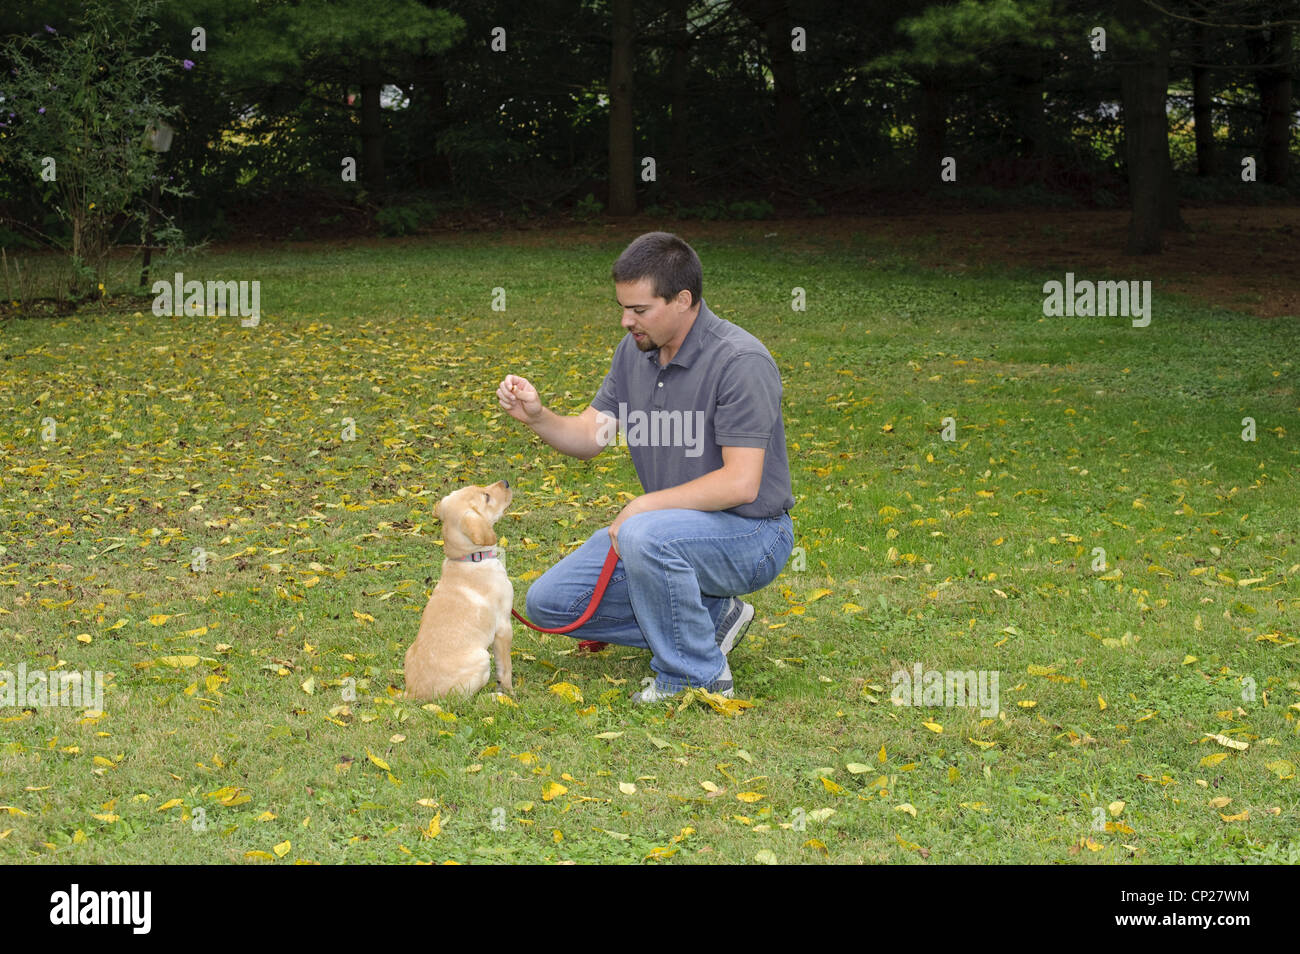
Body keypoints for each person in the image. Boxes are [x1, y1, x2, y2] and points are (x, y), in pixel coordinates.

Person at [496, 231, 795, 702]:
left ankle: (694, 677)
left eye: (639, 310)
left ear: (683, 300)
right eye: (622, 307)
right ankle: (711, 621)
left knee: (642, 532)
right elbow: (590, 437)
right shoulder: (634, 354)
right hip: (666, 531)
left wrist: (644, 508)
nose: (625, 321)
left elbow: (741, 483)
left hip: (753, 535)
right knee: (550, 604)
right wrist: (538, 416)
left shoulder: (741, 361)